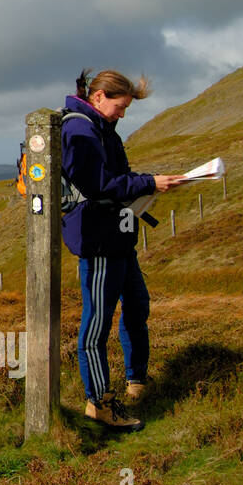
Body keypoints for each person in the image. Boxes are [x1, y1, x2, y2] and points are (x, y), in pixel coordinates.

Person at [61, 68, 188, 431]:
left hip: (118, 236)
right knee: (96, 325)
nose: (123, 115)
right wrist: (150, 182)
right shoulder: (80, 130)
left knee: (137, 305)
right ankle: (98, 403)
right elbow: (98, 183)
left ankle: (136, 381)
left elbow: (115, 179)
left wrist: (148, 186)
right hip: (99, 241)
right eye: (120, 106)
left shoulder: (100, 127)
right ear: (99, 97)